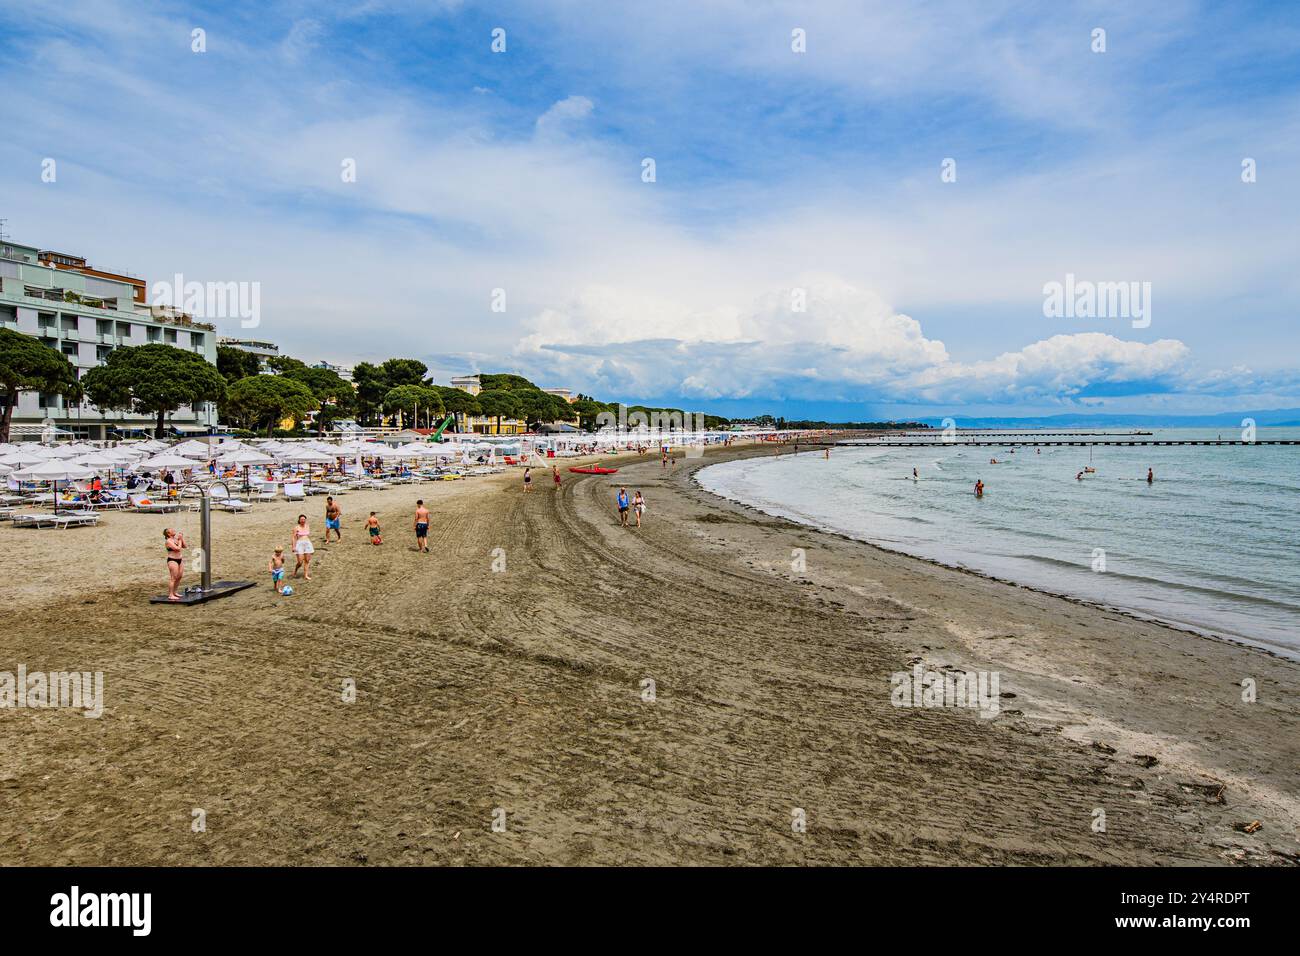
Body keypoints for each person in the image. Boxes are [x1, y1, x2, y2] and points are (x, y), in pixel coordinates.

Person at [164, 527, 185, 601]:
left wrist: (181, 538)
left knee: (179, 577)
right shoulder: (168, 541)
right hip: (172, 560)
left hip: (180, 559)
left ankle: (175, 592)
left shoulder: (176, 539)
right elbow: (177, 549)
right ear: (168, 534)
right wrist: (179, 540)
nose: (173, 530)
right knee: (173, 578)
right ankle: (170, 595)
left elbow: (184, 546)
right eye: (171, 530)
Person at [291, 514, 314, 580]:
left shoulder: (307, 526)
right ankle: (295, 570)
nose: (303, 520)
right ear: (299, 520)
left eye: (304, 519)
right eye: (301, 519)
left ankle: (306, 575)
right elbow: (294, 538)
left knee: (307, 560)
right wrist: (293, 547)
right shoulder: (296, 528)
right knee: (300, 562)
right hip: (299, 544)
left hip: (307, 544)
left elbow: (307, 535)